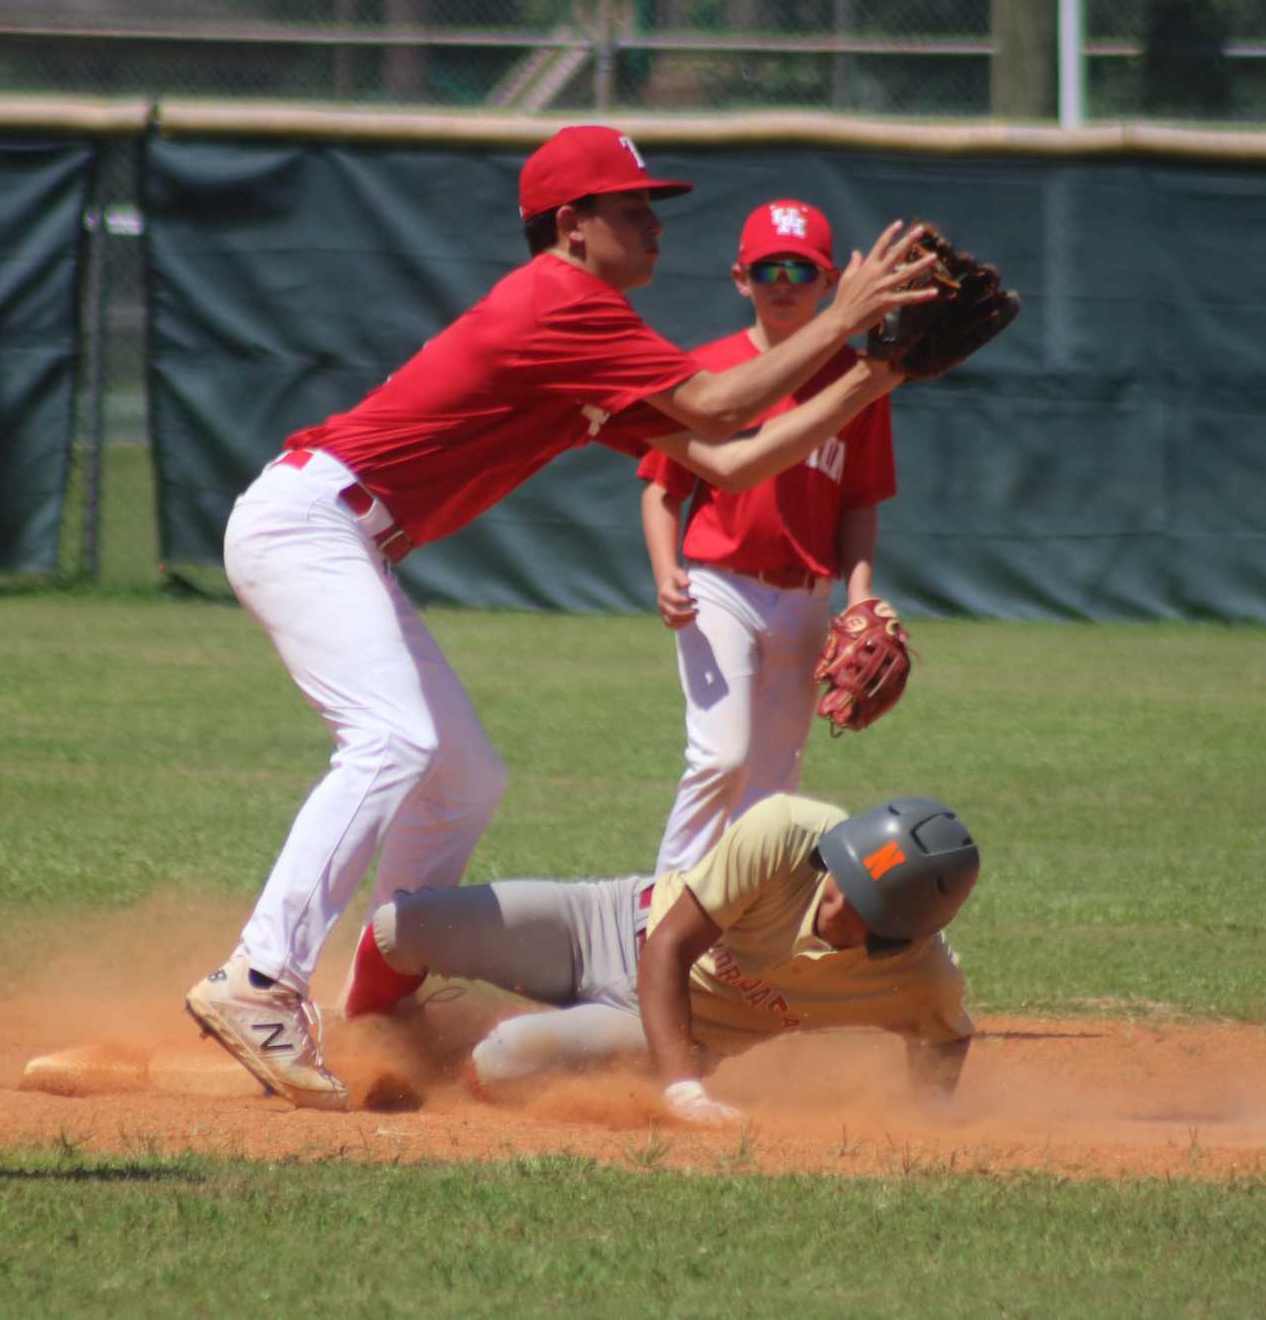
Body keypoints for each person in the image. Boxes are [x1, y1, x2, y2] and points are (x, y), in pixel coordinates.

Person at [184, 124, 943, 1111]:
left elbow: (726, 461)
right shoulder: (561, 298)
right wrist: (841, 319)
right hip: (307, 521)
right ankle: (258, 977)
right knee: (392, 739)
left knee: (461, 779)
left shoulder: (590, 332)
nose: (653, 227)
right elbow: (717, 409)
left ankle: (377, 1006)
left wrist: (874, 377)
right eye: (632, 209)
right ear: (573, 225)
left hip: (344, 535)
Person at [341, 794, 980, 1126]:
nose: (834, 901)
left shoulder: (920, 976)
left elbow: (946, 1036)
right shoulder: (789, 831)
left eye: (858, 909)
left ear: (901, 933)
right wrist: (683, 1090)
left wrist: (929, 1110)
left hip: (672, 1033)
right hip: (614, 921)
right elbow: (671, 945)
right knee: (402, 927)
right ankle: (358, 1045)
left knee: (502, 1062)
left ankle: (440, 1065)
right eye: (839, 877)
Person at [638, 199, 897, 877]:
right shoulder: (708, 369)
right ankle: (656, 919)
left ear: (832, 281)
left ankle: (733, 932)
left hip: (807, 596)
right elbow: (663, 486)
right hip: (717, 584)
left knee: (773, 781)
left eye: (801, 270)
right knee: (720, 757)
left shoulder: (858, 379)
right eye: (768, 269)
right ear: (739, 278)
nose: (783, 282)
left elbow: (861, 499)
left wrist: (860, 595)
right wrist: (666, 569)